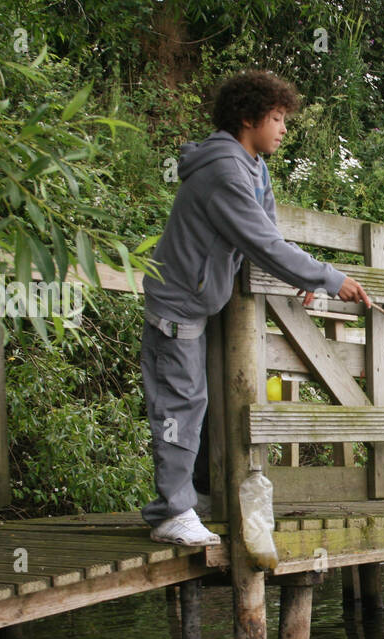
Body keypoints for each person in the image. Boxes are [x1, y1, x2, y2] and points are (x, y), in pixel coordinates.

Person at [141, 70, 371, 546]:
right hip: (177, 305)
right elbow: (262, 241)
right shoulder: (224, 169)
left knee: (200, 404)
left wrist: (301, 282)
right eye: (277, 118)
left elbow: (266, 239)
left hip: (204, 306)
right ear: (248, 119)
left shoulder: (253, 166)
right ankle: (171, 512)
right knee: (179, 407)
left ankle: (195, 497)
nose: (284, 128)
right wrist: (330, 278)